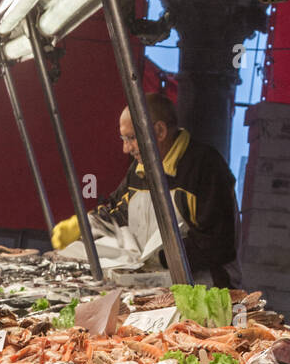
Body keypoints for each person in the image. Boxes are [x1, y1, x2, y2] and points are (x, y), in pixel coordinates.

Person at [51, 92, 240, 287]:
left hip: (206, 289)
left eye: (131, 138)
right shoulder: (140, 169)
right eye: (123, 139)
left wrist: (160, 258)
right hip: (155, 284)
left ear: (159, 131)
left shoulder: (205, 167)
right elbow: (117, 211)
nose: (126, 148)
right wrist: (85, 226)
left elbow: (219, 244)